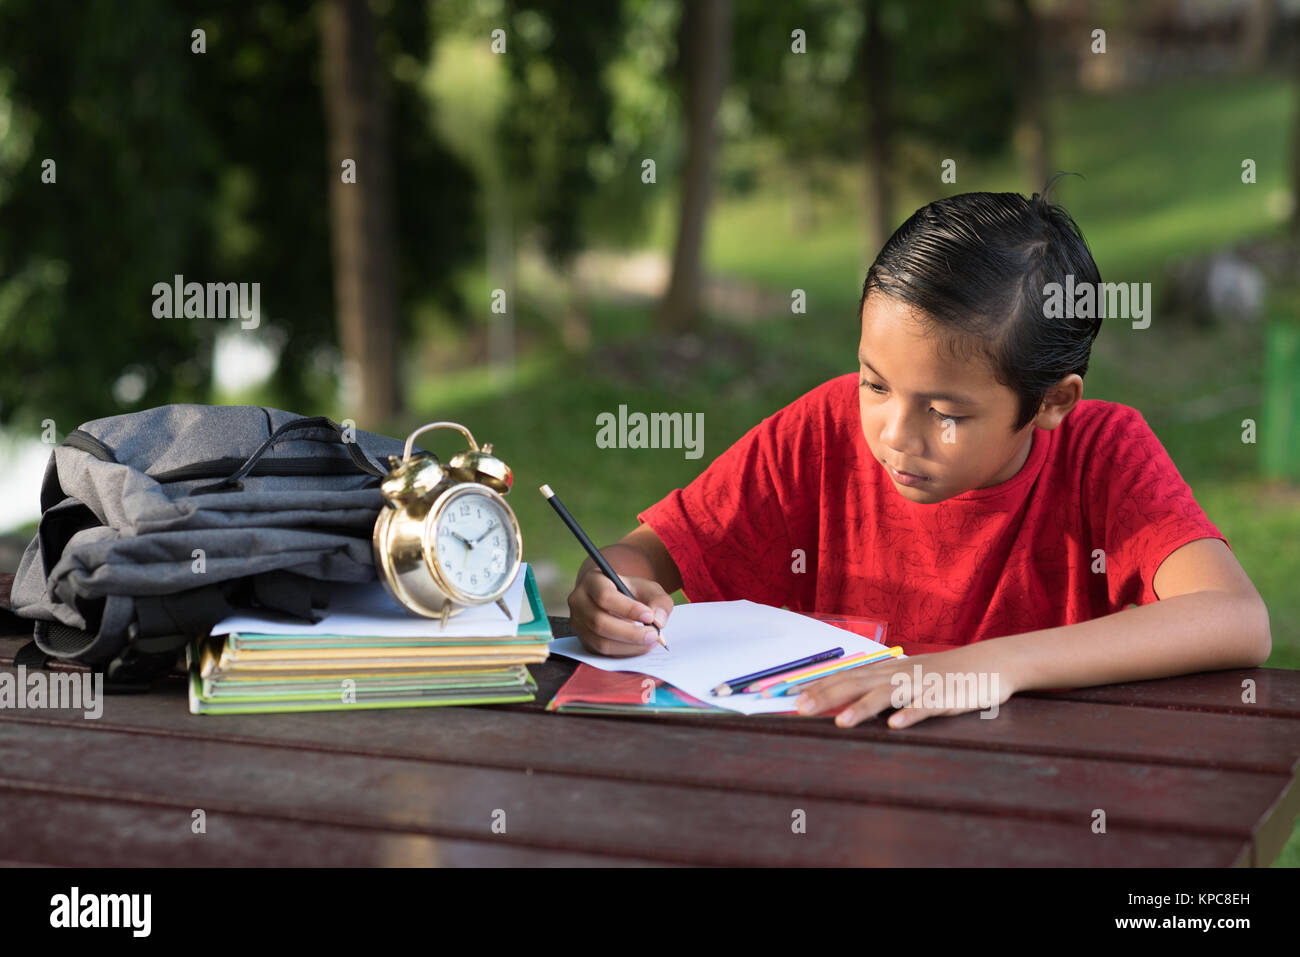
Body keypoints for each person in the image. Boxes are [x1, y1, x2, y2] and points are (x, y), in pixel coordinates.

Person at [564, 182, 1271, 729]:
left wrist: (985, 668)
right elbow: (639, 557)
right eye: (876, 382)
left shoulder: (1101, 455)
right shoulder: (822, 430)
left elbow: (1237, 618)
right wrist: (611, 594)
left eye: (946, 412)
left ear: (1052, 402)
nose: (895, 432)